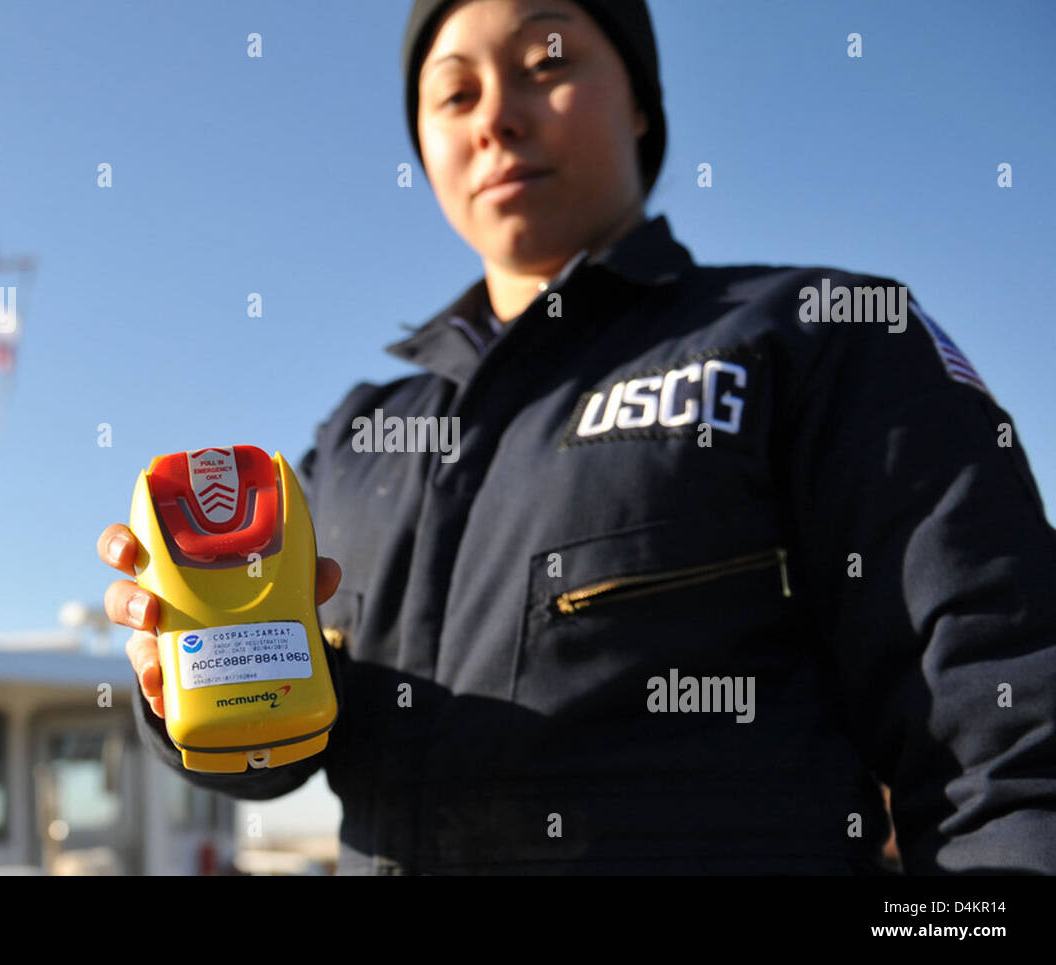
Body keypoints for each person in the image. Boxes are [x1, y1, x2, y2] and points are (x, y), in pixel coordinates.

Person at [99, 0, 1056, 874]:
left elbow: (1007, 744)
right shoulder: (354, 438)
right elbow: (284, 753)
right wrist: (187, 683)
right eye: (454, 92)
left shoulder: (824, 335)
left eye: (546, 60)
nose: (495, 118)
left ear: (640, 101)